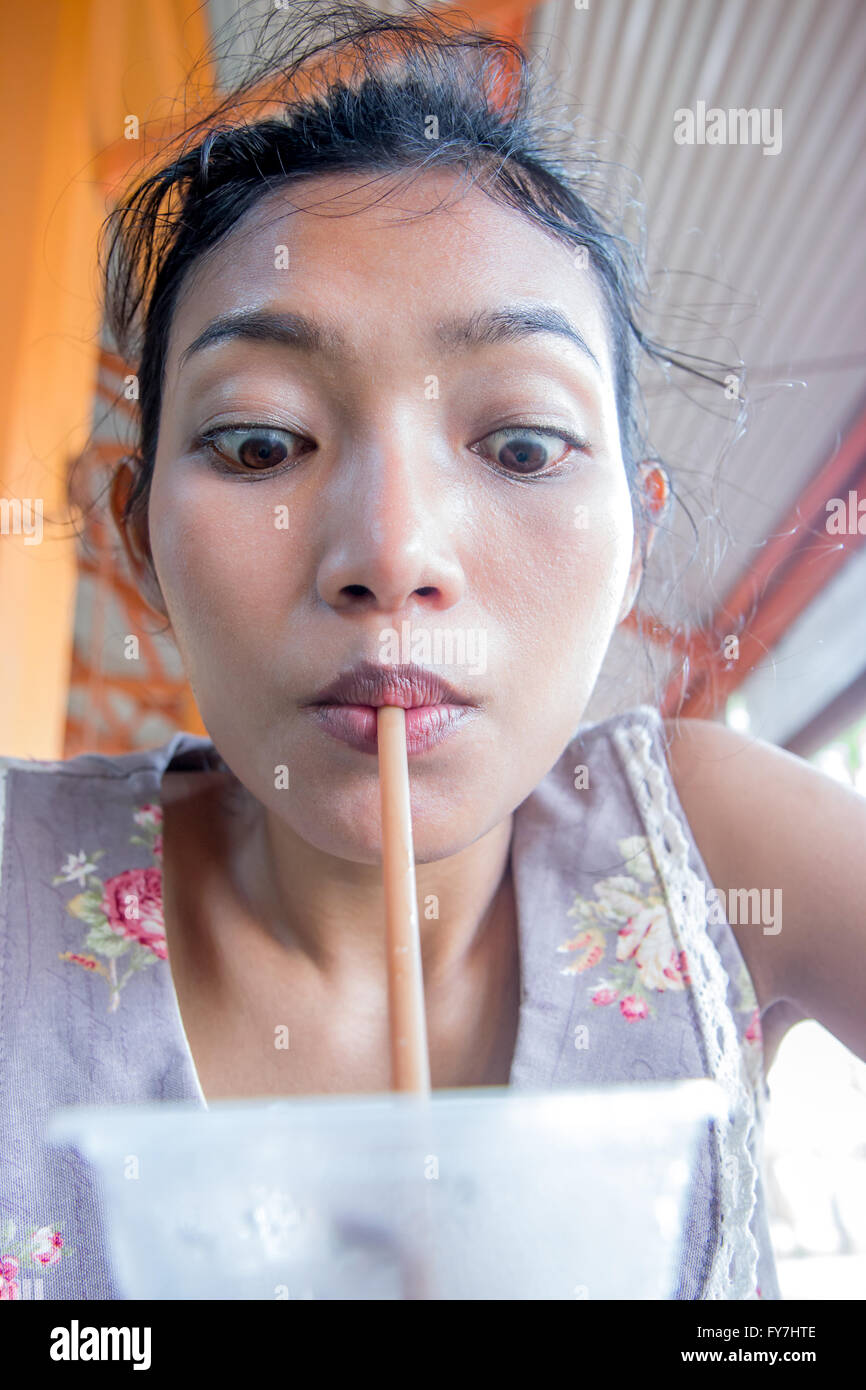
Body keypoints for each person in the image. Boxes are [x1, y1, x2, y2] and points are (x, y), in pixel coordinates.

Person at [1, 0, 863, 1303]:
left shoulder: (710, 847)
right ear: (136, 542)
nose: (389, 549)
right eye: (259, 443)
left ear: (631, 542)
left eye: (518, 445)